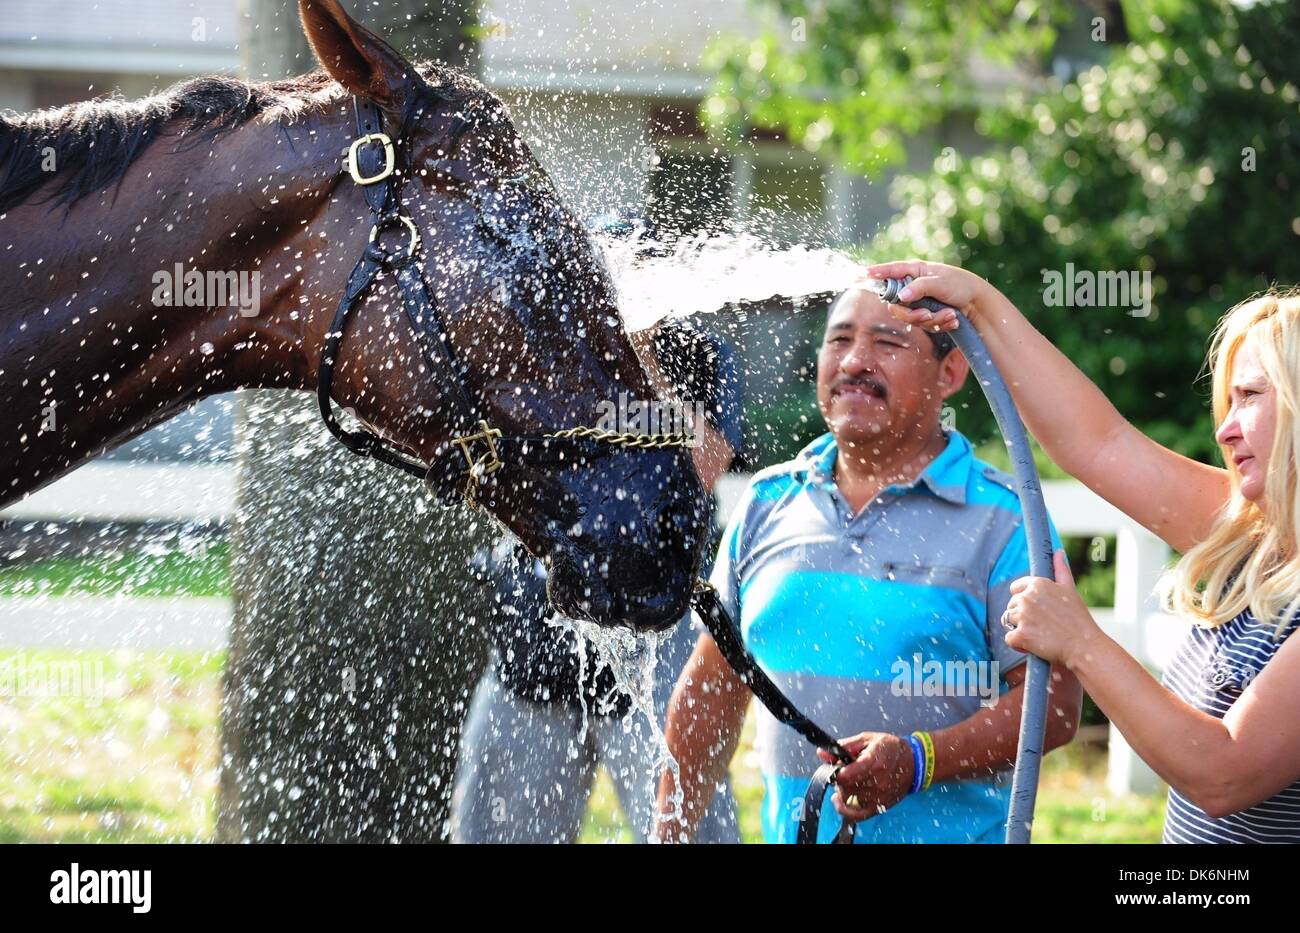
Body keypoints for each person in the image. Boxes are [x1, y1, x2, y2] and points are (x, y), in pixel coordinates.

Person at [868, 261, 1300, 843]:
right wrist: (979, 302)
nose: (1225, 429)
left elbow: (1222, 774)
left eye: (1250, 396)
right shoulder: (1256, 531)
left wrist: (1081, 641)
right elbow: (1097, 442)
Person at [656, 288, 1082, 844]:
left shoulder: (1005, 519)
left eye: (887, 342)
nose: (855, 361)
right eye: (839, 340)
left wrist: (918, 760)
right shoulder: (768, 501)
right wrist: (670, 831)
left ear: (950, 372)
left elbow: (1055, 706)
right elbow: (712, 686)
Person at [450, 316, 744, 843]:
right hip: (530, 648)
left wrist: (641, 356)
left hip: (653, 648)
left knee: (692, 835)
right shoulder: (536, 334)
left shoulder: (699, 350)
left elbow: (702, 465)